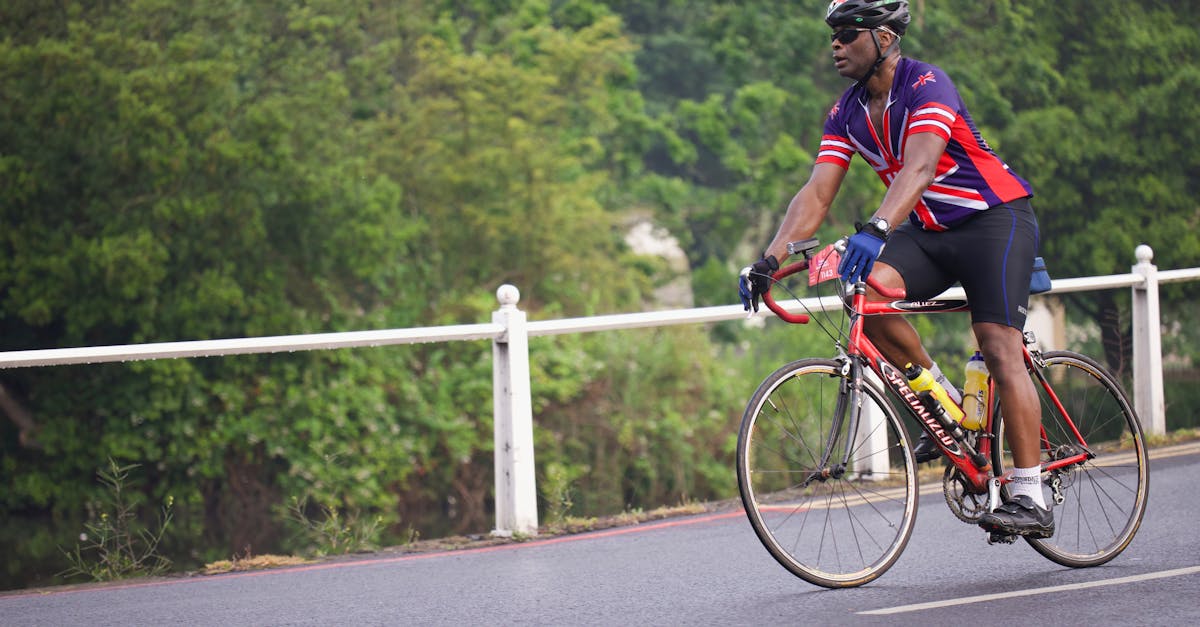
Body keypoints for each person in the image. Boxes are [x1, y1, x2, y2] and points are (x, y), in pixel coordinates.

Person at [737, 0, 1052, 538]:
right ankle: (945, 401)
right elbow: (817, 190)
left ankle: (1029, 491)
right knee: (867, 297)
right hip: (930, 231)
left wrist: (878, 227)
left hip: (993, 220)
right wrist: (771, 257)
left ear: (884, 37)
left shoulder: (926, 83)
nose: (835, 44)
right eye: (832, 35)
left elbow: (921, 165)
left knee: (998, 345)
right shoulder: (846, 112)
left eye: (847, 33)